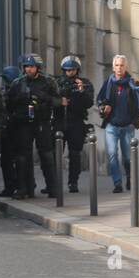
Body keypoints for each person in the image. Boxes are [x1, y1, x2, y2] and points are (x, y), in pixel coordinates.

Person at [6, 54, 58, 199]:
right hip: (24, 124)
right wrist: (19, 100)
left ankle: (52, 187)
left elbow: (58, 101)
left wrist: (43, 98)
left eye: (32, 66)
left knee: (47, 155)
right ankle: (24, 188)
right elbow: (8, 104)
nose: (29, 69)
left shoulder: (48, 82)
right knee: (22, 157)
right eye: (27, 67)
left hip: (42, 122)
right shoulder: (17, 83)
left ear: (38, 68)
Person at [97, 54, 139, 194]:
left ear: (126, 67)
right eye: (117, 65)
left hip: (127, 126)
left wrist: (134, 123)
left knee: (127, 157)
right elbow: (100, 100)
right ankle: (117, 183)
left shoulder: (133, 84)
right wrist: (103, 109)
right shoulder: (108, 83)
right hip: (111, 126)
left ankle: (129, 177)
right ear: (113, 67)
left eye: (122, 65)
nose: (119, 68)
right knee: (112, 154)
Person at [56, 56, 95, 193]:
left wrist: (81, 91)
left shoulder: (85, 83)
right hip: (59, 121)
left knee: (75, 154)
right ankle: (55, 183)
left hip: (76, 122)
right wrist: (59, 100)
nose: (70, 73)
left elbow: (89, 103)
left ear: (77, 70)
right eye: (67, 70)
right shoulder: (56, 82)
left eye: (72, 70)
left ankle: (73, 182)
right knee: (56, 153)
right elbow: (49, 99)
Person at [0, 65, 22, 197]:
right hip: (7, 129)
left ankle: (19, 185)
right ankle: (10, 186)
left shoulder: (18, 92)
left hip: (17, 129)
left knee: (18, 159)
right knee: (6, 160)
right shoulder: (4, 93)